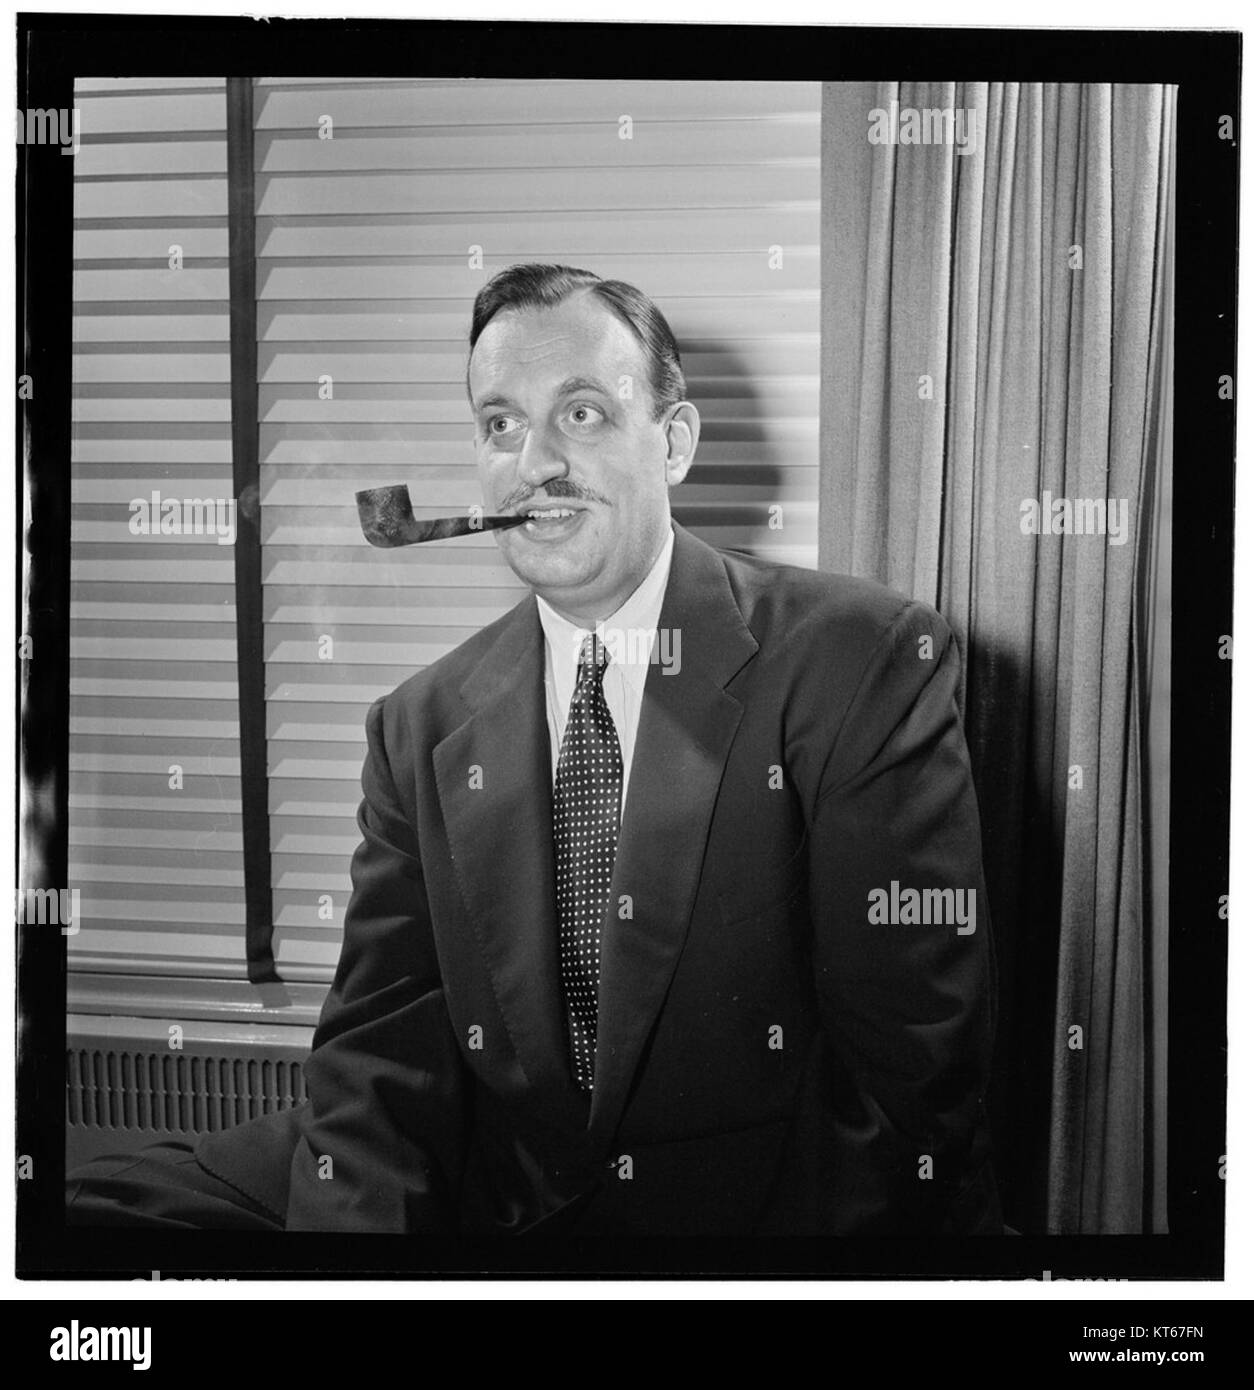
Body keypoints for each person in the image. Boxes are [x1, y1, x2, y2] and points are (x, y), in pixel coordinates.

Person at [68, 263, 1000, 1236]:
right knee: (84, 1213)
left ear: (673, 443)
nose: (535, 463)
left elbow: (905, 1088)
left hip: (740, 1219)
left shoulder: (860, 663)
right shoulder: (418, 728)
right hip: (499, 1190)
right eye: (501, 425)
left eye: (583, 415)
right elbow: (383, 1067)